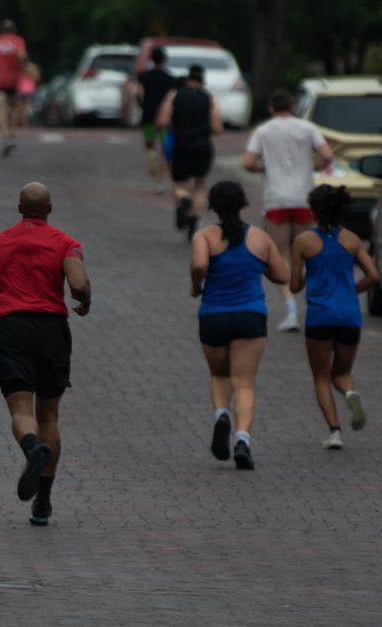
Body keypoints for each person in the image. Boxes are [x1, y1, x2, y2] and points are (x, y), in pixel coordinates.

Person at [0, 182, 92, 526]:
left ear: (19, 209)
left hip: (12, 330)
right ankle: (43, 502)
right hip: (52, 329)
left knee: (22, 409)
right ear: (49, 209)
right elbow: (78, 284)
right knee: (49, 414)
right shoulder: (66, 243)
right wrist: (86, 301)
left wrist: (6, 293)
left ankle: (31, 449)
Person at [190, 181, 289, 470]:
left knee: (219, 375)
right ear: (243, 204)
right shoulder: (260, 237)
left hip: (214, 315)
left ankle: (222, 415)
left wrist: (196, 286)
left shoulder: (205, 236)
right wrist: (258, 267)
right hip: (250, 315)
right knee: (244, 383)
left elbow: (199, 266)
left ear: (213, 207)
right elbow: (282, 276)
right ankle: (243, 440)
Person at [290, 184, 379, 449]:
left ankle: (335, 431)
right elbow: (374, 274)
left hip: (320, 317)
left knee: (320, 377)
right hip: (349, 316)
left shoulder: (304, 241)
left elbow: (294, 285)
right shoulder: (351, 239)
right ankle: (350, 392)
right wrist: (353, 290)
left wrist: (309, 275)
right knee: (342, 373)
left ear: (313, 210)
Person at [243, 88, 335, 332]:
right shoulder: (307, 128)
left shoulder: (263, 131)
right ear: (293, 107)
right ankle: (311, 293)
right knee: (309, 251)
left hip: (276, 199)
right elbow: (327, 155)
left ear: (271, 109)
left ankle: (291, 311)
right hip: (306, 198)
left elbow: (248, 163)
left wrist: (264, 169)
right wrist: (314, 166)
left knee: (281, 254)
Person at [156, 64, 223, 241]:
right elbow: (217, 128)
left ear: (187, 80)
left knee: (179, 184)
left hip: (181, 143)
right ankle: (194, 221)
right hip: (202, 144)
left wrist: (178, 124)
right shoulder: (210, 98)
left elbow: (162, 120)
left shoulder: (175, 95)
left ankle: (183, 200)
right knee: (200, 184)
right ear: (202, 82)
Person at [135, 46, 178, 193]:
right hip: (165, 120)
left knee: (150, 145)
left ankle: (151, 155)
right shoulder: (171, 79)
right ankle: (159, 182)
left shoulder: (144, 76)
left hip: (148, 116)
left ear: (151, 59)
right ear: (164, 60)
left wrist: (142, 105)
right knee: (165, 152)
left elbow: (138, 93)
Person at [0, 19, 27, 156]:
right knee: (13, 107)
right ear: (14, 30)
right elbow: (22, 56)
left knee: (0, 109)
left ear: (1, 30)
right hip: (13, 79)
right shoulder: (18, 41)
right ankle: (12, 133)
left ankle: (5, 137)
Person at [14, 61, 40, 129]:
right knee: (25, 109)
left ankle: (19, 123)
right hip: (29, 91)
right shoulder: (33, 71)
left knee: (19, 109)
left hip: (21, 91)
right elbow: (36, 79)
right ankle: (24, 123)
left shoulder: (19, 72)